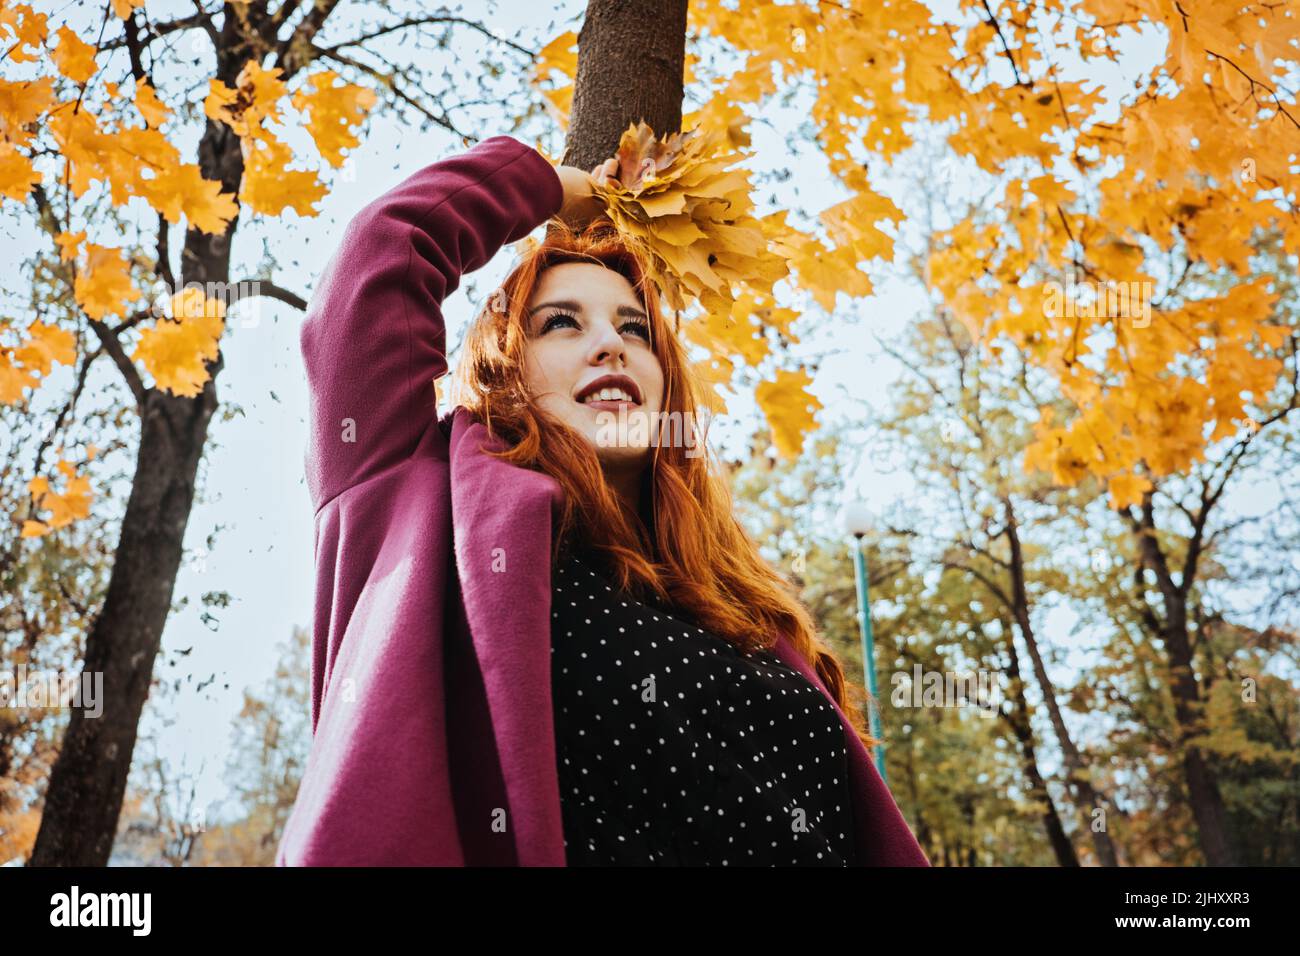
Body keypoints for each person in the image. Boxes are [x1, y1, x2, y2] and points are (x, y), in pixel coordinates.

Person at [276, 133, 930, 866]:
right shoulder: (412, 489)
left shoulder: (741, 605)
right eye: (561, 322)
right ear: (505, 374)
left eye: (635, 329)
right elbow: (385, 248)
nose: (610, 346)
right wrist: (557, 189)